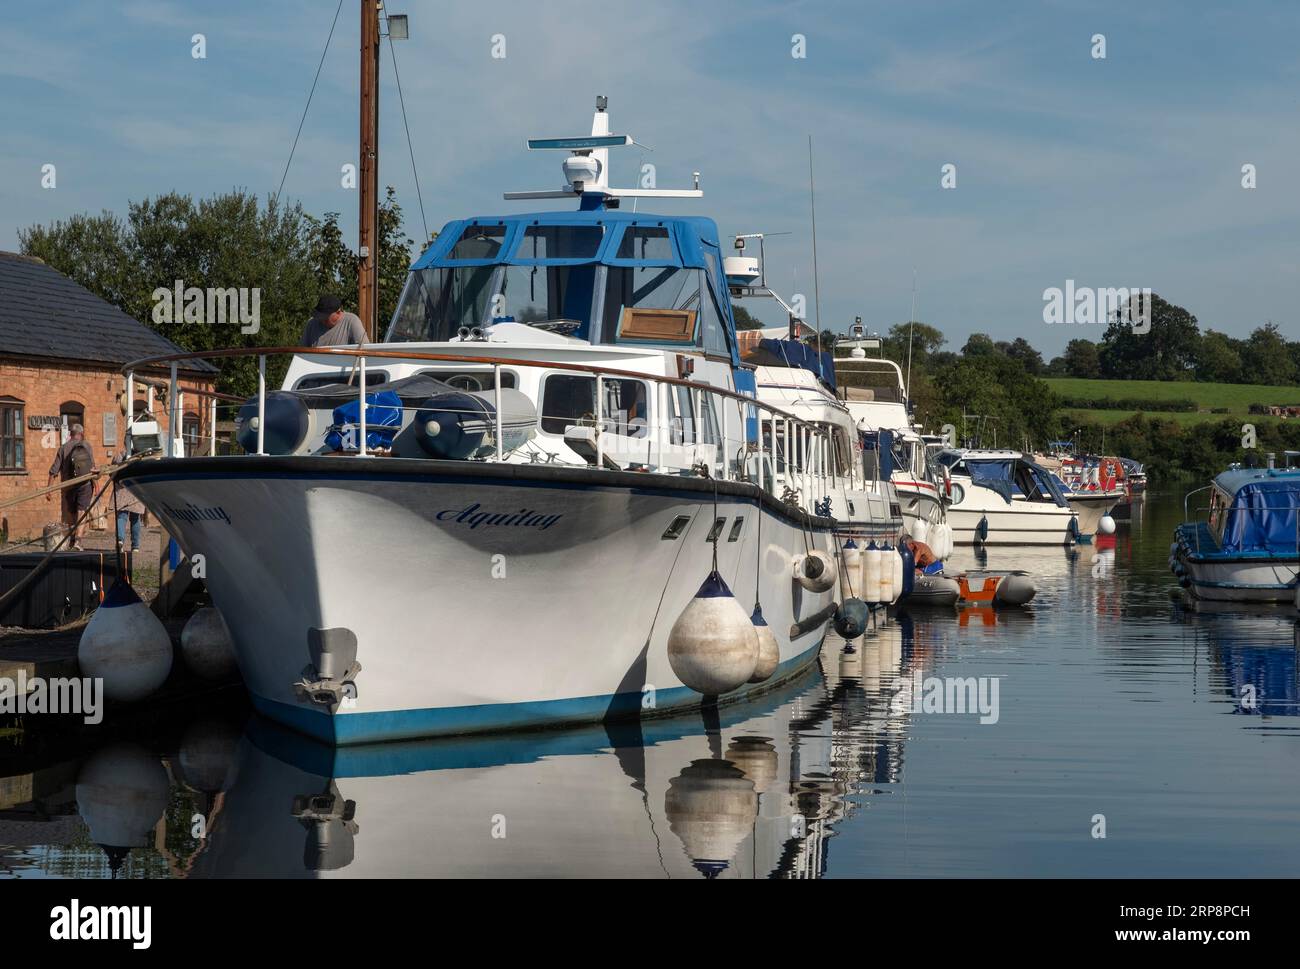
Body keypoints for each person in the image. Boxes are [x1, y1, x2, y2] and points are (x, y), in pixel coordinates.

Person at [46, 424, 96, 550]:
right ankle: (78, 541)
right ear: (81, 434)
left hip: (68, 486)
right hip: (85, 484)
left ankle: (72, 538)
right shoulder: (87, 446)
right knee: (82, 511)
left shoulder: (63, 448)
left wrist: (49, 489)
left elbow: (54, 470)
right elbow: (93, 468)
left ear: (70, 434)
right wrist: (97, 486)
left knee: (71, 512)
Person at [110, 447, 146, 552]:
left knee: (121, 517)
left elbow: (111, 473)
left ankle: (120, 540)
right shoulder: (142, 457)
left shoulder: (119, 456)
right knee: (135, 519)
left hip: (122, 489)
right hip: (136, 490)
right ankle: (135, 546)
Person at [300, 295, 367, 347]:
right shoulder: (312, 323)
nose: (321, 320)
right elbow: (302, 352)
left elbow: (365, 350)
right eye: (319, 316)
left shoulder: (352, 321)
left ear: (338, 312)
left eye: (325, 317)